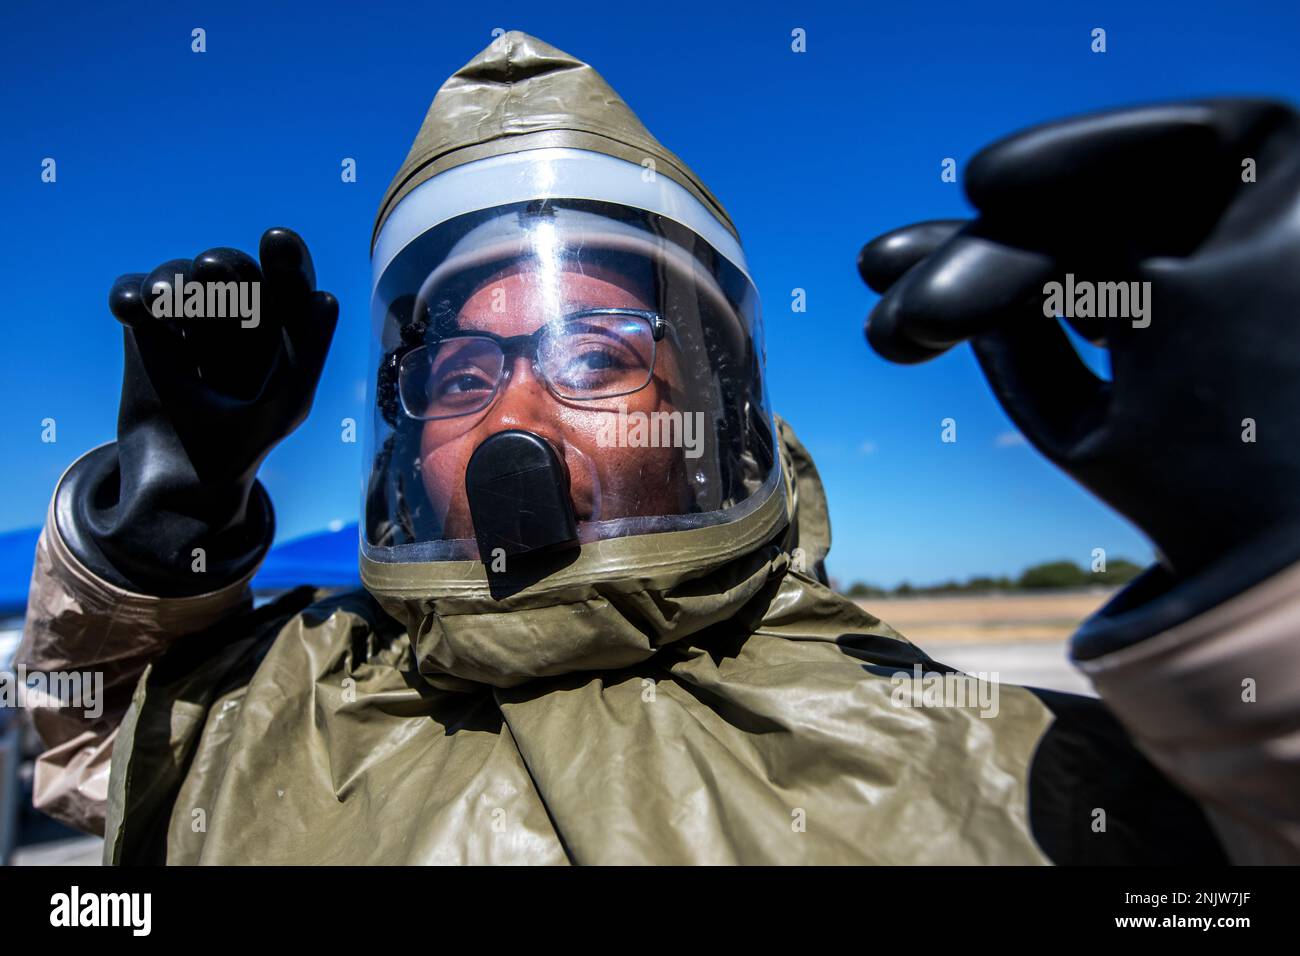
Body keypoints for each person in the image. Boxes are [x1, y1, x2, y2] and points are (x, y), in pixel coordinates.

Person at [17, 32, 1300, 864]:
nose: (512, 406)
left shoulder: (986, 760)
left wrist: (1269, 593)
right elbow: (95, 753)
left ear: (717, 413)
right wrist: (152, 537)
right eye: (462, 370)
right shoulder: (277, 698)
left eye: (595, 355)